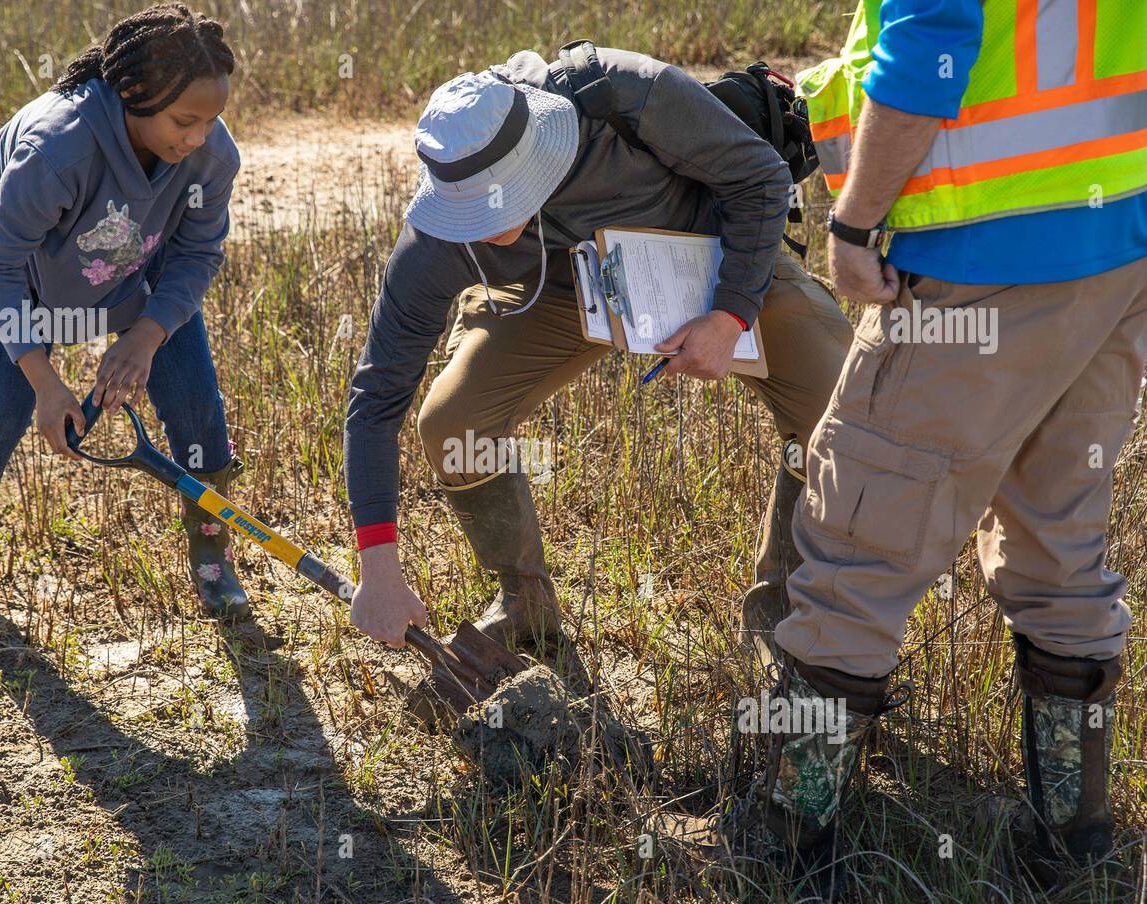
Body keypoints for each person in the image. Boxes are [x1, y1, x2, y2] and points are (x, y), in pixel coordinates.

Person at [751, 0, 1146, 889]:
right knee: (1063, 543)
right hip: (1119, 243)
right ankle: (1072, 851)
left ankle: (788, 854)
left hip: (980, 257)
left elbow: (931, 47)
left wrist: (853, 229)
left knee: (858, 544)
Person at [345, 44, 853, 672]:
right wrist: (378, 564)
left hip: (704, 252)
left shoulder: (624, 95)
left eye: (497, 207)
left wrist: (729, 316)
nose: (481, 228)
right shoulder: (435, 242)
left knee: (838, 400)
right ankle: (526, 616)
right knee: (453, 424)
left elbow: (760, 177)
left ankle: (781, 621)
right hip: (554, 290)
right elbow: (377, 396)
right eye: (468, 212)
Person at [0, 3, 249, 621]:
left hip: (139, 260)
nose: (199, 137)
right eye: (185, 121)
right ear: (134, 94)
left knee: (197, 407)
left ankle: (212, 555)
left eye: (211, 121)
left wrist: (148, 333)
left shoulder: (208, 158)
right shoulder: (57, 151)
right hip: (22, 272)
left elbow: (197, 251)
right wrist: (45, 381)